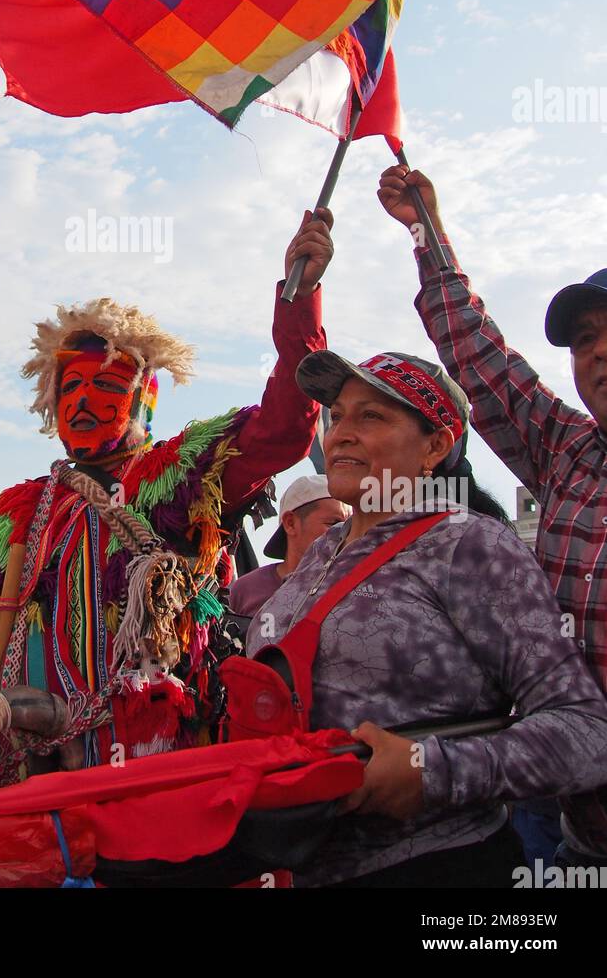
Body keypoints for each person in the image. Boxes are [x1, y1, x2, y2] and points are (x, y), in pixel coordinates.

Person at [0, 210, 334, 795]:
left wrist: (299, 298)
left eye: (107, 387)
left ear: (145, 401)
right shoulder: (11, 513)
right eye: (71, 389)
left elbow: (287, 428)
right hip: (16, 778)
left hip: (146, 780)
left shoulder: (179, 475)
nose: (83, 403)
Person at [244, 350, 607, 889]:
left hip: (443, 870)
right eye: (337, 415)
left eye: (372, 415)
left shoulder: (470, 546)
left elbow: (585, 734)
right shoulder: (319, 555)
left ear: (436, 445)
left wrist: (430, 771)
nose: (339, 433)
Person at [377, 165, 607, 867]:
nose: (594, 352)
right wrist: (425, 230)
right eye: (581, 340)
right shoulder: (567, 449)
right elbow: (477, 356)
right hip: (585, 841)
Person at [229, 474, 348, 618]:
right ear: (290, 523)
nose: (344, 533)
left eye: (348, 525)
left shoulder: (351, 591)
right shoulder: (245, 590)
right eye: (333, 523)